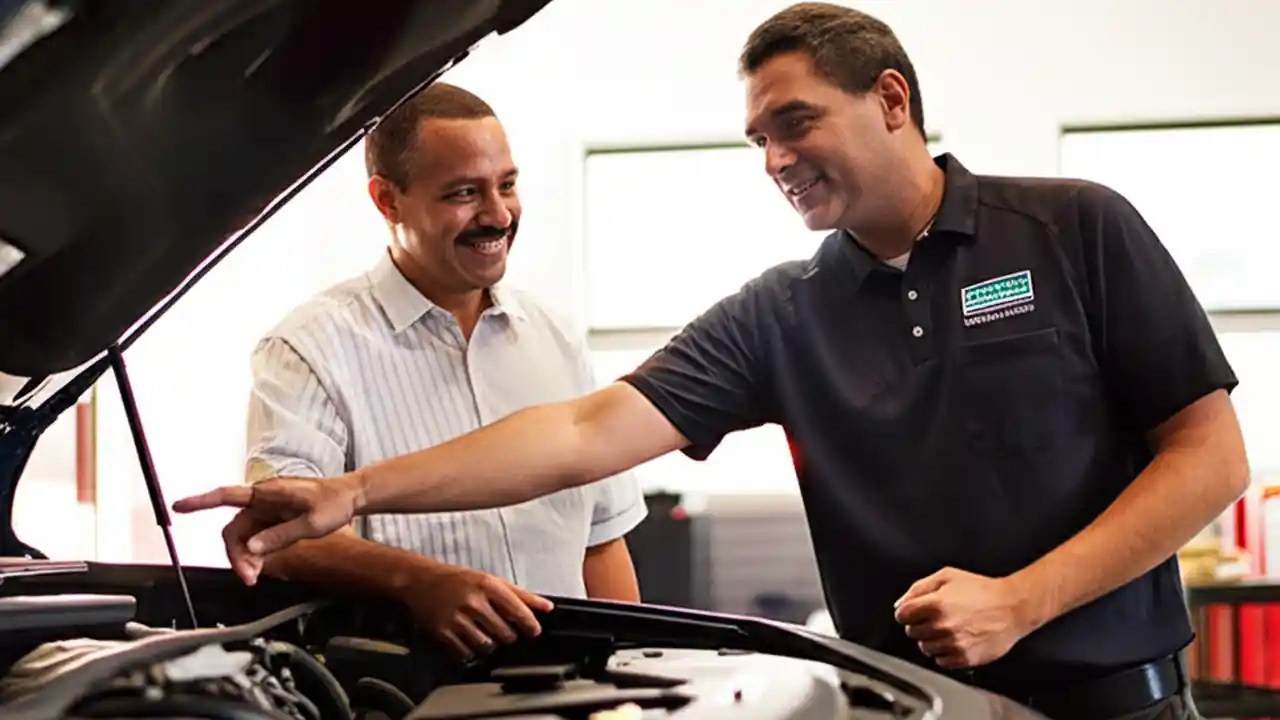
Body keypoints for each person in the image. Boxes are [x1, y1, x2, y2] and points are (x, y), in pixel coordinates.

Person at [178, 4, 1248, 718]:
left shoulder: (1072, 228)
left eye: (794, 124)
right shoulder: (781, 313)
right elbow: (587, 431)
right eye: (757, 141)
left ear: (887, 99)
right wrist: (356, 490)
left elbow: (1207, 458)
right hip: (904, 709)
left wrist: (1020, 601)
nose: (776, 161)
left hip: (1118, 700)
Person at [235, 81, 647, 661]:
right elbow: (282, 538)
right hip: (406, 694)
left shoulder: (556, 337)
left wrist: (632, 676)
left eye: (507, 185)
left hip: (568, 686)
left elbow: (601, 543)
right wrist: (419, 581)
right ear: (387, 200)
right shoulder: (309, 346)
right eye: (464, 193)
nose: (498, 214)